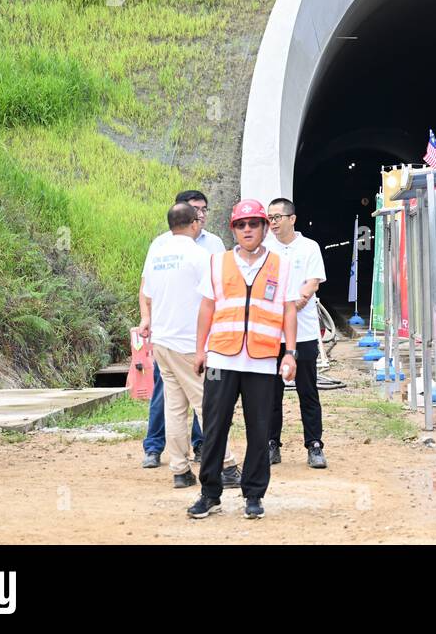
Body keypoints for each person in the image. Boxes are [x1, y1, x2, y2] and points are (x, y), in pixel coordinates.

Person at [188, 200, 301, 520]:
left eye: (254, 224)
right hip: (222, 360)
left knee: (259, 430)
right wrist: (200, 350)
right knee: (213, 429)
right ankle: (209, 493)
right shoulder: (217, 263)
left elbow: (289, 310)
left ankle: (254, 494)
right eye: (241, 225)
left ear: (266, 228)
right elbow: (206, 308)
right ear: (233, 229)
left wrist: (290, 353)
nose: (247, 230)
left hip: (262, 361)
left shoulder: (281, 265)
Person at [139, 202, 241, 489]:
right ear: (195, 224)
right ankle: (227, 466)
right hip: (190, 345)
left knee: (175, 408)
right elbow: (216, 298)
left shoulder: (156, 255)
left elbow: (146, 294)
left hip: (162, 342)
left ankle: (181, 470)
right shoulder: (201, 256)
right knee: (207, 404)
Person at [263, 197, 329, 468]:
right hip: (270, 333)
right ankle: (271, 443)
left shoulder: (309, 247)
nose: (273, 223)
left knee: (307, 390)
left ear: (292, 218)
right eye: (270, 218)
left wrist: (295, 301)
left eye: (277, 217)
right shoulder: (264, 248)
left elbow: (312, 282)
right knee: (270, 393)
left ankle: (314, 445)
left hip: (303, 332)